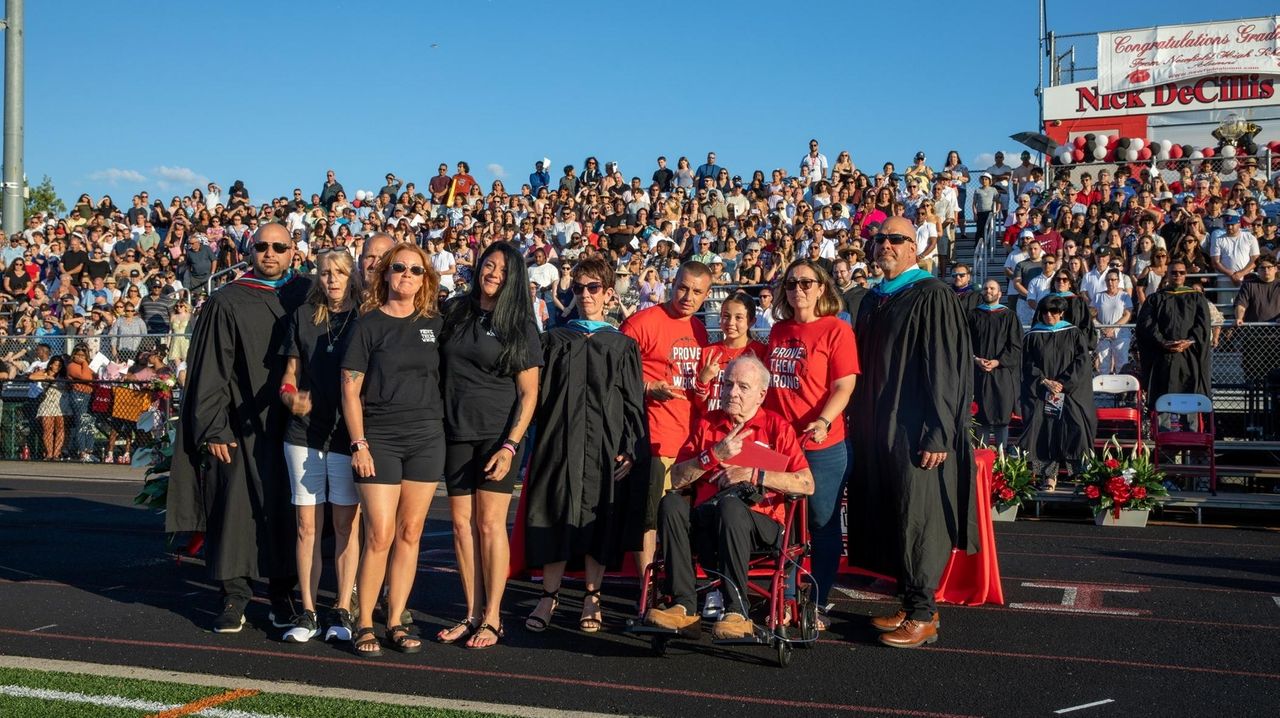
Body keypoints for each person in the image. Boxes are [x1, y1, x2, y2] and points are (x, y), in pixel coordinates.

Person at [167, 223, 312, 633]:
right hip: (238, 423)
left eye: (278, 247)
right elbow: (209, 369)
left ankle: (283, 593)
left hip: (294, 425)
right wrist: (213, 427)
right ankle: (234, 595)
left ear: (292, 251)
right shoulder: (227, 300)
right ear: (251, 250)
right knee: (235, 508)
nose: (269, 253)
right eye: (262, 246)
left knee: (289, 510)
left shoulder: (306, 295)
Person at [847, 216, 978, 649]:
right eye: (879, 238)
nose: (885, 244)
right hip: (877, 423)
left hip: (914, 427)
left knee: (917, 514)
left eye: (896, 239)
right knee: (893, 511)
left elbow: (944, 367)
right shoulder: (872, 299)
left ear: (914, 247)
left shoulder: (931, 294)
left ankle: (924, 613)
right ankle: (907, 601)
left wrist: (939, 432)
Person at [643, 354, 814, 640]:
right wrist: (713, 455)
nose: (732, 392)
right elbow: (676, 477)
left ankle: (737, 611)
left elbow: (807, 484)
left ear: (761, 394)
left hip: (760, 525)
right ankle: (683, 606)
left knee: (731, 506)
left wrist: (754, 474)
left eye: (742, 387)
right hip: (707, 521)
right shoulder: (707, 424)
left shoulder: (776, 426)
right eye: (727, 385)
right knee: (671, 502)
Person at [522, 256, 645, 634]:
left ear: (609, 294)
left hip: (605, 446)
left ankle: (593, 595)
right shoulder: (555, 339)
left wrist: (630, 447)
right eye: (578, 288)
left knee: (600, 517)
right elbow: (534, 396)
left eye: (593, 288)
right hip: (558, 442)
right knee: (554, 514)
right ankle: (549, 594)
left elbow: (632, 404)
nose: (585, 295)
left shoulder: (621, 345)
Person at [341, 243, 445, 657]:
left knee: (410, 533)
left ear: (425, 279)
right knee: (380, 534)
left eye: (415, 270)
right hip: (379, 439)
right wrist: (359, 443)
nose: (406, 275)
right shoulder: (368, 324)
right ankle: (364, 621)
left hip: (426, 438)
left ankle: (396, 619)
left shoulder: (436, 324)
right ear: (385, 274)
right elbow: (350, 390)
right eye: (398, 268)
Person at [437, 243, 541, 649]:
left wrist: (511, 445)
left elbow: (529, 394)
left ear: (514, 276)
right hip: (454, 433)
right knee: (461, 526)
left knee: (488, 524)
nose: (493, 273)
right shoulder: (456, 311)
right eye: (489, 264)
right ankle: (471, 612)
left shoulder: (519, 324)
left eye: (502, 268)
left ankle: (493, 618)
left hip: (498, 438)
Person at [764, 259, 858, 622]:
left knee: (821, 521)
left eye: (806, 283)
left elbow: (843, 386)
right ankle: (785, 599)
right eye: (790, 284)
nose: (798, 290)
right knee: (781, 523)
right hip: (779, 446)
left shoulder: (836, 330)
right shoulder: (778, 331)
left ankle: (816, 600)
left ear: (822, 288)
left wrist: (823, 419)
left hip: (824, 445)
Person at [278, 249, 363, 644]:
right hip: (303, 435)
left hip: (347, 436)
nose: (331, 279)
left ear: (352, 277)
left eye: (340, 273)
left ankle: (343, 609)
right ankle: (309, 611)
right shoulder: (302, 317)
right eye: (325, 273)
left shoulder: (364, 319)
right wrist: (289, 395)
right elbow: (289, 374)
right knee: (306, 526)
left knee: (346, 525)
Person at [620, 262, 711, 575]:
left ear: (706, 295)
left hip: (690, 443)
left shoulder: (699, 329)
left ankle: (674, 584)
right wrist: (646, 387)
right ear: (672, 284)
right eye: (683, 287)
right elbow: (613, 377)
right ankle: (648, 591)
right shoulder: (642, 323)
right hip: (655, 439)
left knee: (678, 519)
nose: (687, 296)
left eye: (697, 292)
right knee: (648, 520)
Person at [1018, 295, 1097, 492]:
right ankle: (1048, 477)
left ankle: (1080, 476)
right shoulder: (1033, 335)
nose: (1049, 316)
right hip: (1042, 391)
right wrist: (1044, 381)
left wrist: (1062, 384)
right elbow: (1027, 364)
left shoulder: (1074, 333)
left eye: (1054, 312)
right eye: (1045, 312)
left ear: (1061, 312)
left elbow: (1081, 362)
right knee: (1045, 432)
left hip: (1070, 391)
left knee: (1076, 428)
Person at [1135, 262, 1212, 410]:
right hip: (1162, 355)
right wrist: (1163, 342)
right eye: (1174, 272)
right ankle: (1163, 432)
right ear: (1167, 274)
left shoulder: (1197, 298)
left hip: (1189, 356)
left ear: (1185, 275)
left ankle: (1191, 431)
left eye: (1181, 272)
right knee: (1163, 395)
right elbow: (1147, 325)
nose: (1178, 275)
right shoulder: (1155, 299)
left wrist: (1189, 341)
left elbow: (1203, 325)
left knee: (1190, 394)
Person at [692, 294, 768, 414]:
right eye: (726, 316)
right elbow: (699, 403)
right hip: (712, 425)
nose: (731, 322)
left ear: (752, 321)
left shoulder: (761, 352)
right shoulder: (709, 351)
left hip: (744, 426)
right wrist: (703, 380)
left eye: (738, 318)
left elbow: (764, 399)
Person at [970, 279, 1022, 448]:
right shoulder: (973, 315)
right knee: (979, 416)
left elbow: (1015, 346)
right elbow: (964, 343)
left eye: (992, 288)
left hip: (1001, 373)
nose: (988, 291)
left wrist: (997, 361)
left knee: (1001, 417)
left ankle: (1002, 457)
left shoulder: (1009, 316)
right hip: (977, 372)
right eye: (985, 288)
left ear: (1000, 293)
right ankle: (981, 455)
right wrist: (975, 359)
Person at [1231, 255, 1280, 384]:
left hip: (1276, 339)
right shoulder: (1249, 285)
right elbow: (1241, 305)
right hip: (1253, 338)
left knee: (1275, 378)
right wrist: (1239, 318)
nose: (1266, 271)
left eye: (1269, 267)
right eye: (1262, 268)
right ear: (1257, 270)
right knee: (1253, 378)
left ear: (1276, 269)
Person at [1092, 270, 1134, 375]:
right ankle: (1104, 391)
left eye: (1113, 280)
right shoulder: (1098, 296)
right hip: (1102, 335)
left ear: (1118, 281)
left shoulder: (1124, 296)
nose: (1111, 282)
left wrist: (1112, 328)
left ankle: (1122, 390)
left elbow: (1127, 315)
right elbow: (1092, 314)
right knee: (1103, 366)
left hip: (1121, 335)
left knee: (1121, 364)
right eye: (1108, 280)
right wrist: (1103, 328)